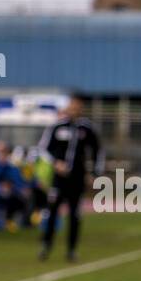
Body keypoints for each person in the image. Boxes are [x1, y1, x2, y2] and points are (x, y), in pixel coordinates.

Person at [38, 96, 103, 262]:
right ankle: (46, 245)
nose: (74, 108)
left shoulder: (87, 128)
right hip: (59, 179)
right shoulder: (57, 126)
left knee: (75, 215)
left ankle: (72, 250)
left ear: (81, 107)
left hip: (77, 179)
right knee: (52, 211)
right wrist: (56, 163)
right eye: (71, 105)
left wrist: (94, 173)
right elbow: (44, 149)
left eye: (77, 105)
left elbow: (97, 151)